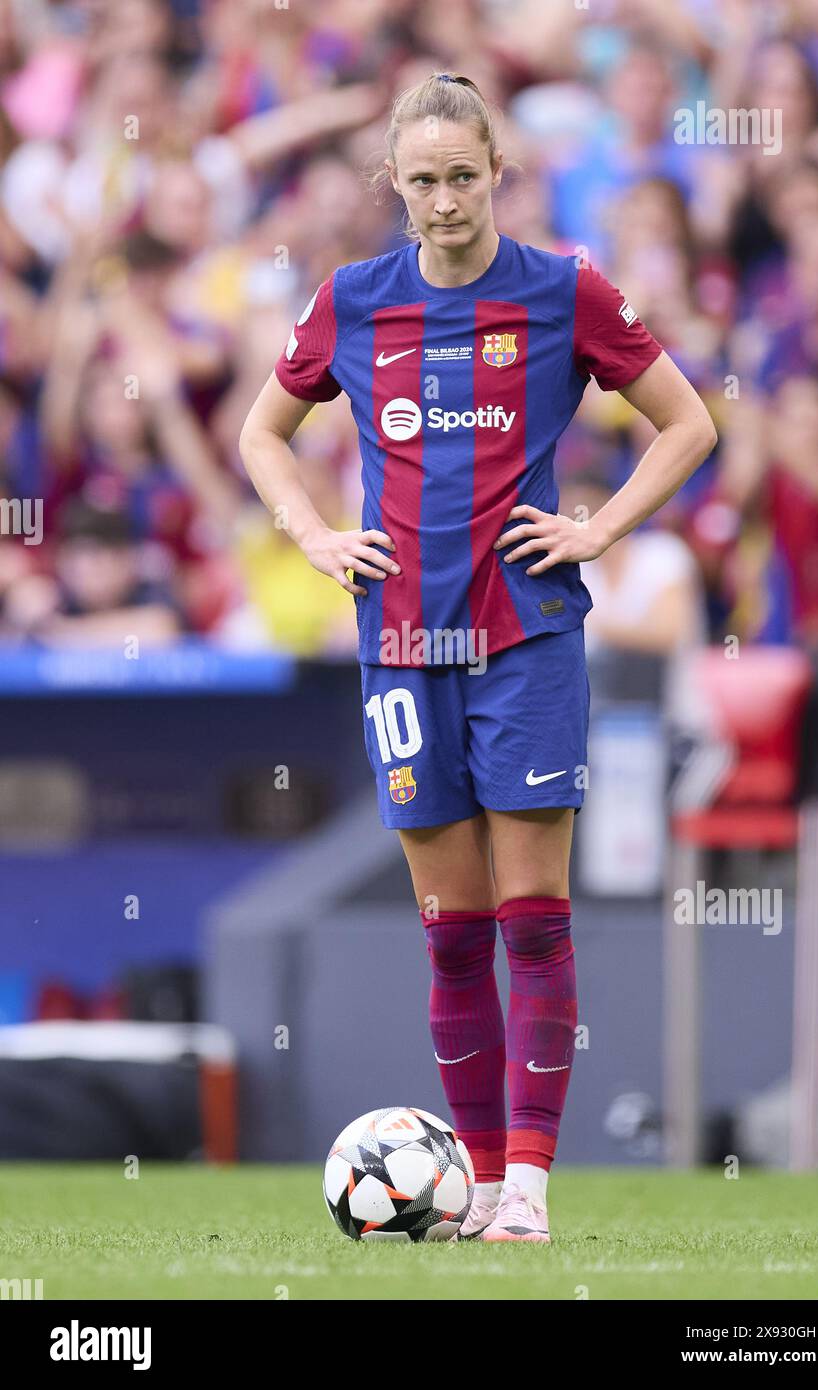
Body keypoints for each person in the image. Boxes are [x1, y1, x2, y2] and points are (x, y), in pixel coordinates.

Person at [239, 73, 716, 1243]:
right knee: (450, 933)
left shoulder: (563, 291)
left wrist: (597, 529)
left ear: (496, 173)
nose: (444, 202)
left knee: (532, 922)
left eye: (463, 177)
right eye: (421, 182)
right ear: (391, 187)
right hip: (399, 644)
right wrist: (308, 533)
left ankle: (530, 1196)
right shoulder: (353, 300)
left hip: (526, 639)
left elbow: (690, 422)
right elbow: (262, 431)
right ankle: (479, 1186)